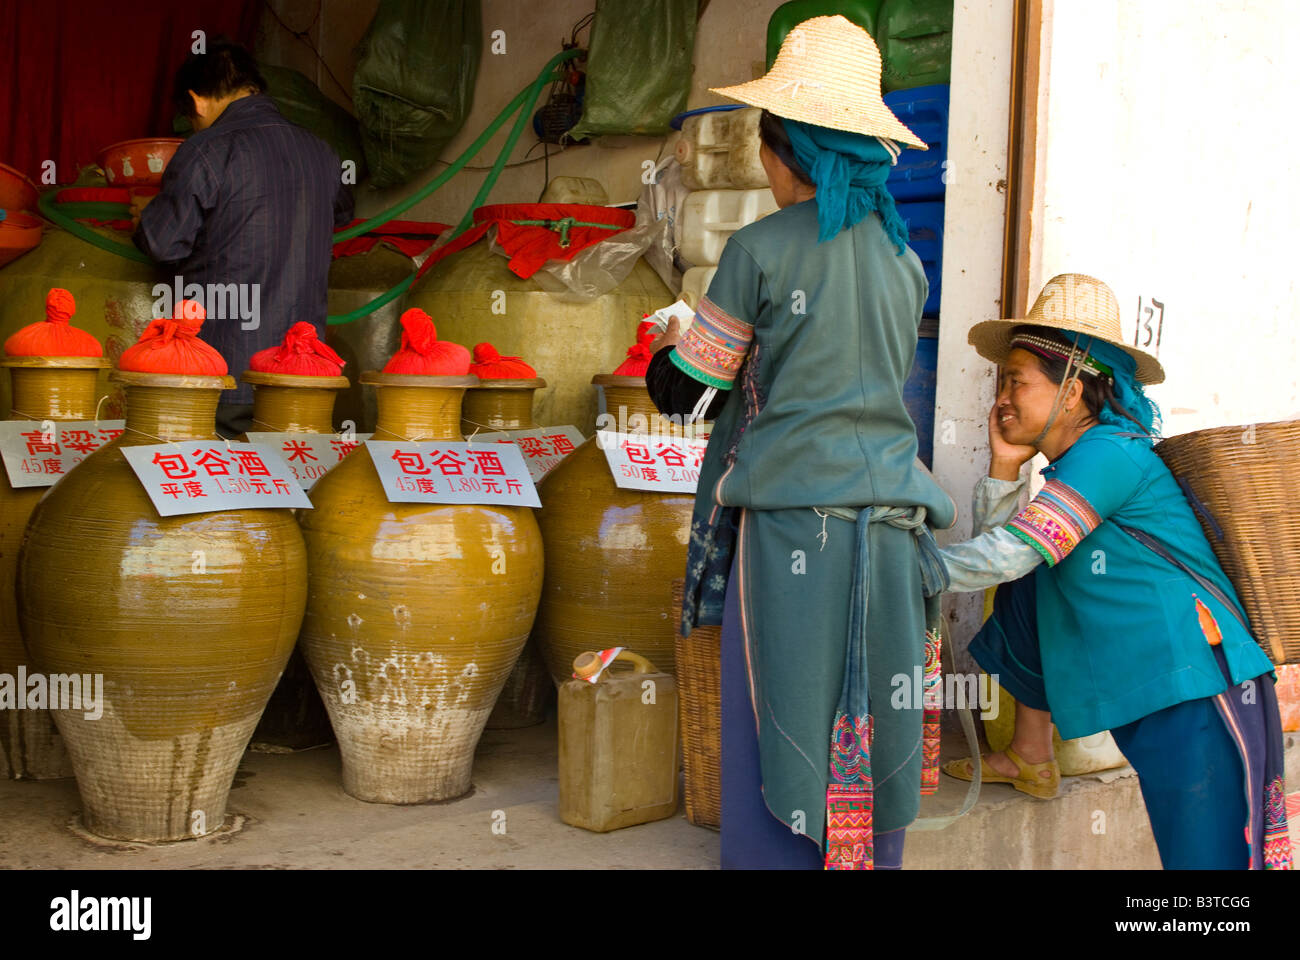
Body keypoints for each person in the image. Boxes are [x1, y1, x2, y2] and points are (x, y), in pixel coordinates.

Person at [646, 15, 955, 870]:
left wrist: (666, 348)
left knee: (776, 724)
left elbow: (688, 391)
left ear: (790, 152)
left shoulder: (757, 250)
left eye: (767, 149)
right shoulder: (906, 262)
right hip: (893, 528)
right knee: (873, 725)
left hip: (791, 530)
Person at [937, 273, 1293, 870]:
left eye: (1015, 383)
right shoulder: (1081, 464)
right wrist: (1003, 466)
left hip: (1197, 686)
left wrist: (898, 564)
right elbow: (1008, 556)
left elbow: (1012, 552)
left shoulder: (1110, 453)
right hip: (1158, 693)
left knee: (1216, 876)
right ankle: (1031, 750)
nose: (1001, 398)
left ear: (1071, 392)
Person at [133, 40, 354, 438]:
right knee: (293, 484)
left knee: (228, 488)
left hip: (229, 365)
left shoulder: (206, 150)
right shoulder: (322, 151)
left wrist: (149, 214)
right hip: (303, 373)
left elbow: (164, 245)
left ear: (196, 102)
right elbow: (340, 212)